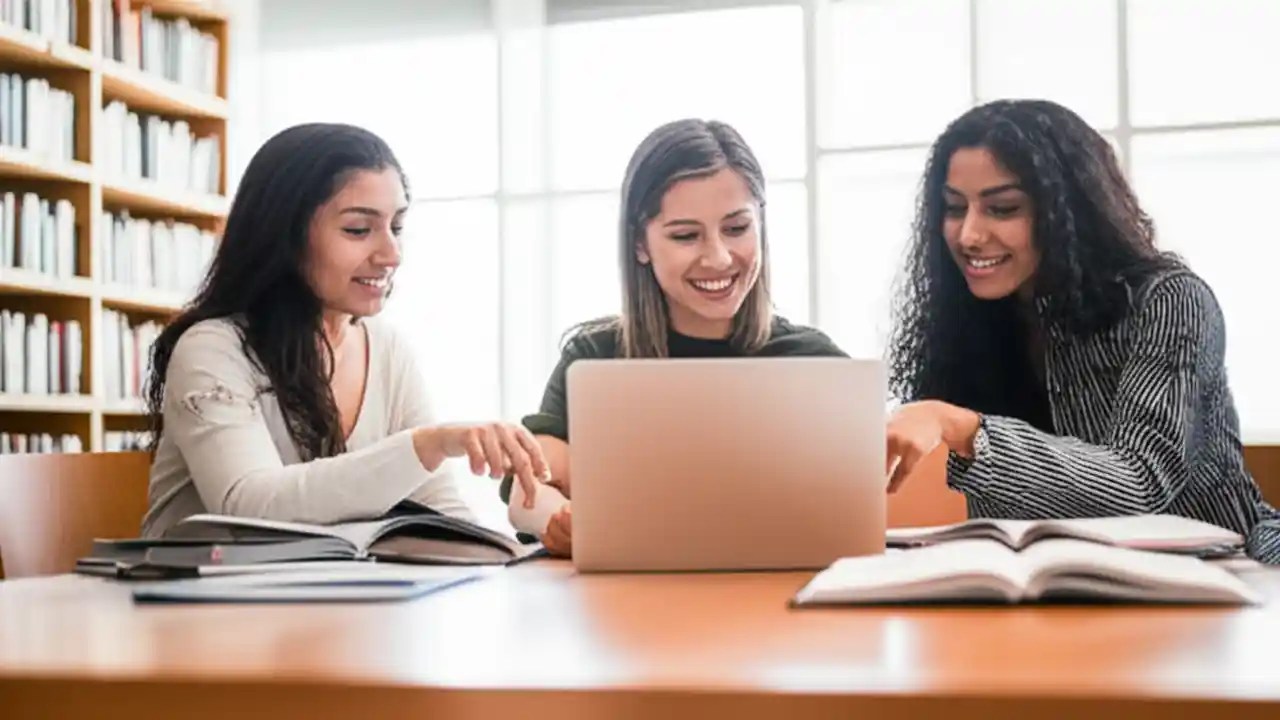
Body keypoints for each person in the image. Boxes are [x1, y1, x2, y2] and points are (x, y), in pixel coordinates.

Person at [884, 99, 1280, 563]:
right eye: (954, 208)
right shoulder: (974, 322)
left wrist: (963, 428)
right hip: (1063, 588)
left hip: (1230, 580)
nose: (969, 235)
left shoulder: (1170, 300)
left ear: (1067, 212)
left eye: (1003, 208)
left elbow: (1139, 485)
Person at [140, 123, 547, 538]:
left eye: (397, 227)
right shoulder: (213, 348)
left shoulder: (388, 350)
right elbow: (250, 504)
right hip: (198, 598)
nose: (392, 254)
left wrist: (496, 554)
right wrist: (428, 445)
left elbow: (437, 508)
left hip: (324, 598)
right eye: (358, 229)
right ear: (284, 235)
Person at [502, 118, 846, 556]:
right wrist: (555, 518)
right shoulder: (596, 359)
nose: (719, 258)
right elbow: (530, 488)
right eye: (686, 236)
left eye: (737, 228)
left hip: (784, 605)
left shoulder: (816, 363)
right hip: (630, 609)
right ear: (640, 245)